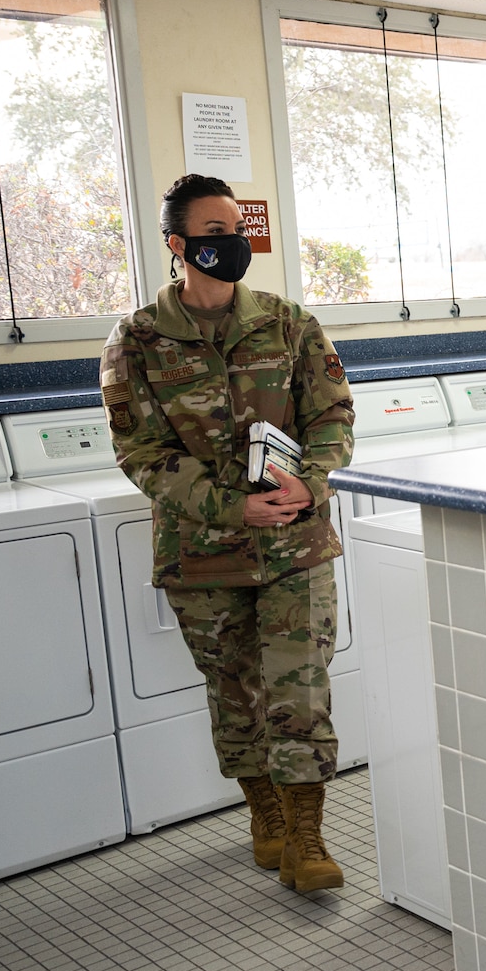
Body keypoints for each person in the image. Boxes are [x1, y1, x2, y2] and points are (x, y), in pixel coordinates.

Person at [100, 174, 355, 893]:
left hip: (294, 543)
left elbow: (332, 414)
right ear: (178, 243)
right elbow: (141, 453)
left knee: (300, 689)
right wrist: (226, 507)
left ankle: (308, 835)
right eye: (214, 231)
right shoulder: (138, 340)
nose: (232, 241)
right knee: (235, 689)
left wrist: (315, 478)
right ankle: (265, 814)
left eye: (236, 227)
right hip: (202, 551)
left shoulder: (287, 322)